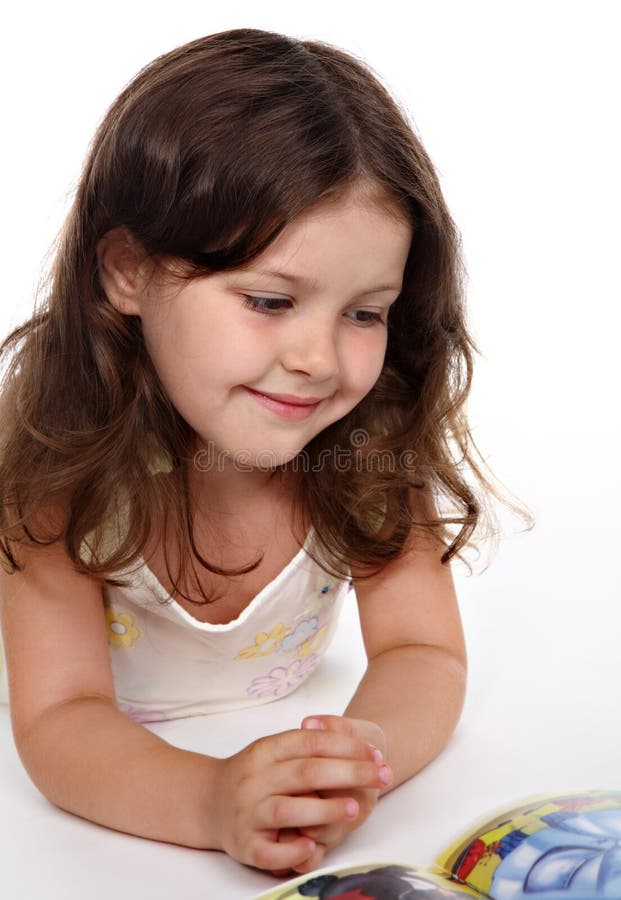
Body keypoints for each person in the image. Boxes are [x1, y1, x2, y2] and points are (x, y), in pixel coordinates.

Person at [0, 28, 528, 875]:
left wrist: (352, 761)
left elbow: (420, 652)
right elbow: (60, 718)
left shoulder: (366, 456)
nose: (319, 359)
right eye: (271, 299)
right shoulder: (60, 473)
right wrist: (212, 801)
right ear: (128, 271)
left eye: (364, 313)